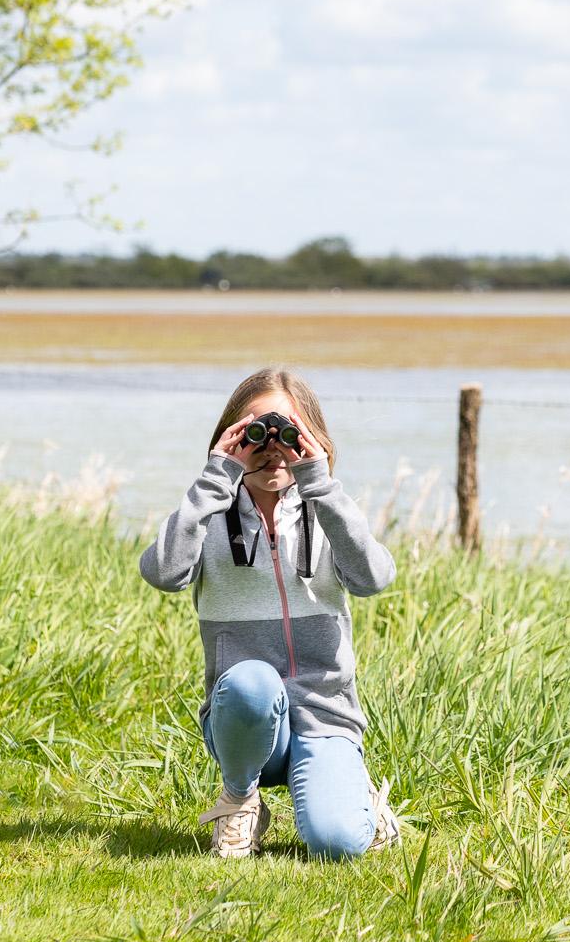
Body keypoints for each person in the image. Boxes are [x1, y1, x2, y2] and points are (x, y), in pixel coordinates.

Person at [138, 367, 402, 859]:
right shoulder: (208, 515)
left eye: (289, 432)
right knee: (250, 681)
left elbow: (374, 579)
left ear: (313, 438)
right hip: (246, 717)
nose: (273, 446)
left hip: (325, 718)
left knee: (337, 843)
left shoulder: (329, 512)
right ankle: (240, 800)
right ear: (231, 436)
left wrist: (320, 485)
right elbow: (163, 573)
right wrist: (216, 479)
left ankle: (359, 801)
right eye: (256, 431)